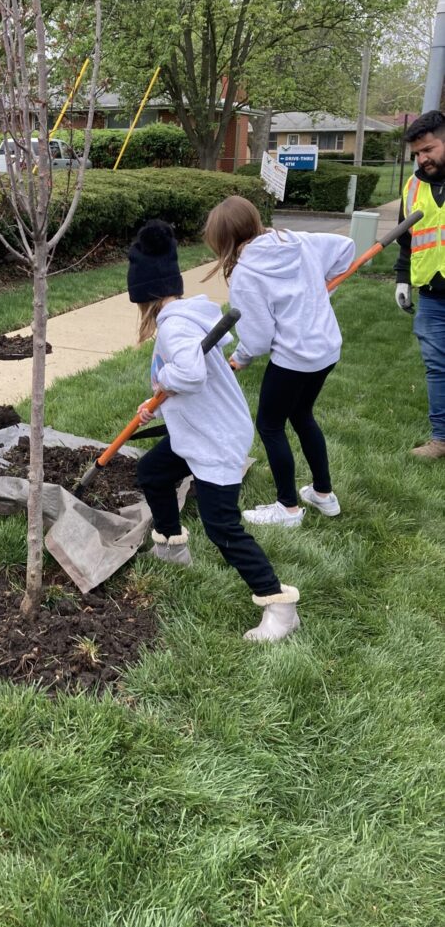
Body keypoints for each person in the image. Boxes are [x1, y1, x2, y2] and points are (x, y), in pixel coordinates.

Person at [129, 220, 301, 643]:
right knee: (152, 473)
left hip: (215, 439)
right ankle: (172, 546)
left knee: (222, 526)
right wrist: (156, 398)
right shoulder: (186, 315)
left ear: (143, 296)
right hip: (195, 432)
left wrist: (166, 380)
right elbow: (181, 378)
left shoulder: (173, 326)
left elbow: (187, 373)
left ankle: (279, 604)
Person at [203, 196, 355, 526]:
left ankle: (288, 508)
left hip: (294, 358)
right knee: (301, 414)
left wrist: (240, 358)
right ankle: (323, 494)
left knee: (270, 425)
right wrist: (318, 291)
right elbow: (346, 248)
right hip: (326, 350)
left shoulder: (246, 274)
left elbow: (257, 338)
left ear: (223, 241)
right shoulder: (297, 240)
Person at [394, 110, 445, 459]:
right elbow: (406, 240)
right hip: (432, 296)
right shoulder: (412, 186)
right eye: (417, 153)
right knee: (436, 367)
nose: (422, 158)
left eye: (428, 149)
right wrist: (402, 280)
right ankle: (441, 439)